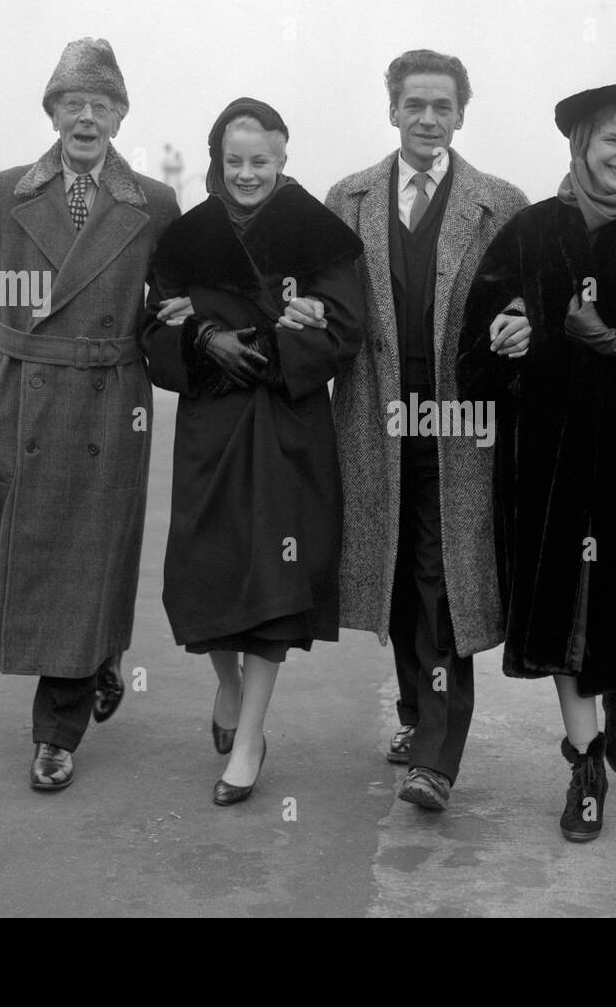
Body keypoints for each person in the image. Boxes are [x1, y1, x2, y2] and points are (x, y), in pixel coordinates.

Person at [457, 84, 616, 842]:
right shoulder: (529, 235)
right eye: (611, 139)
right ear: (580, 145)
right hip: (547, 463)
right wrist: (505, 336)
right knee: (562, 619)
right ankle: (585, 760)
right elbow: (473, 359)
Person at [285, 49, 527, 811]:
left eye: (442, 106)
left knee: (444, 583)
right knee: (395, 579)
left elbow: (525, 304)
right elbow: (323, 302)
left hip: (460, 426)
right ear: (392, 109)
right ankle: (415, 714)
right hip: (374, 423)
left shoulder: (500, 202)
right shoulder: (348, 197)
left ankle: (435, 758)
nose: (428, 119)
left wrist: (525, 324)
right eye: (414, 104)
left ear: (462, 113)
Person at [0, 38, 180, 792]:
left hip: (109, 411)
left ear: (120, 115)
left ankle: (55, 731)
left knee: (90, 561)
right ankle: (98, 657)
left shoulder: (152, 203)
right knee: (29, 562)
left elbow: (170, 308)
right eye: (72, 103)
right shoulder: (5, 193)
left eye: (101, 104)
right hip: (24, 401)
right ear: (52, 111)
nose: (87, 117)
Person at [145, 99, 365, 806]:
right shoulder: (187, 237)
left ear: (282, 159)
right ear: (218, 158)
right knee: (204, 569)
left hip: (285, 423)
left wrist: (268, 346)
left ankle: (250, 740)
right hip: (211, 423)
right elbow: (152, 329)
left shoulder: (317, 233)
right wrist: (200, 340)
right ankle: (229, 685)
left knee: (275, 575)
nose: (246, 174)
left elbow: (343, 327)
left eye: (260, 162)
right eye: (234, 161)